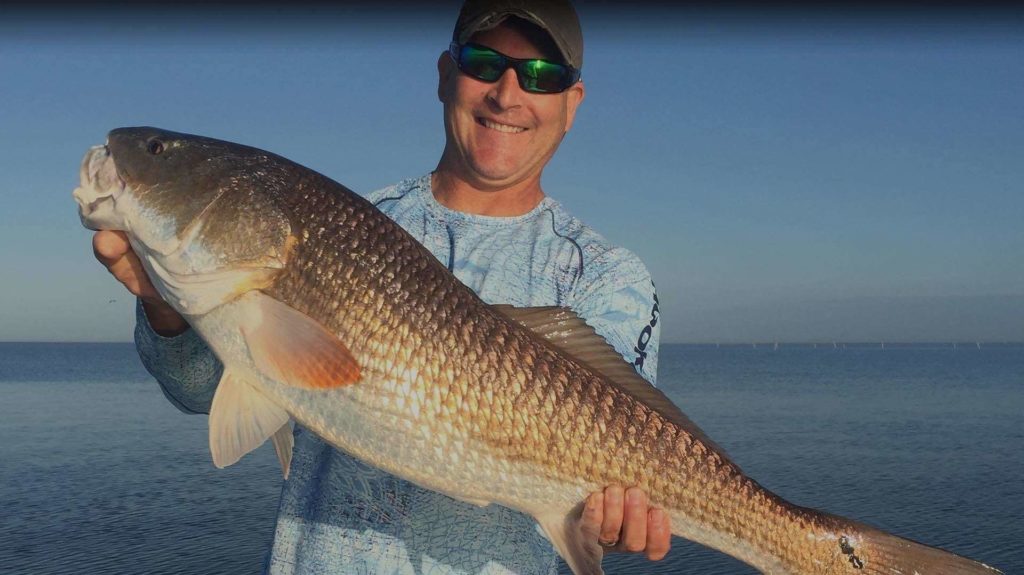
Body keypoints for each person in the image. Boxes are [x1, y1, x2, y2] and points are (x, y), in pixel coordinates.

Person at [91, 1, 668, 573]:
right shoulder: (352, 224)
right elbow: (199, 392)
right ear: (445, 75)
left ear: (573, 104)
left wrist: (616, 520)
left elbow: (624, 479)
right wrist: (161, 304)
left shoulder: (605, 276)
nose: (507, 93)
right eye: (483, 63)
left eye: (542, 75)